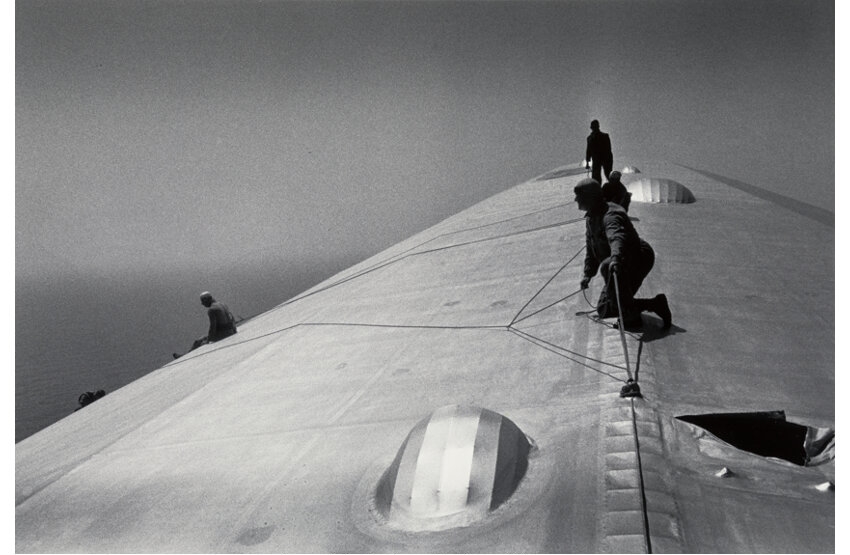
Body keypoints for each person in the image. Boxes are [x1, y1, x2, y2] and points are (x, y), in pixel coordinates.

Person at [575, 178, 671, 330]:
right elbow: (591, 248)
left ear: (590, 198)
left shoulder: (610, 215)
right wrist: (588, 273)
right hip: (621, 261)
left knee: (608, 270)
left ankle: (632, 320)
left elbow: (617, 237)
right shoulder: (592, 218)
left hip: (637, 258)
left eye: (579, 197)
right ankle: (654, 304)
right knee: (604, 309)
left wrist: (615, 258)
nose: (576, 200)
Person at [173, 291, 238, 359]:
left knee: (198, 342)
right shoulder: (223, 304)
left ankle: (184, 356)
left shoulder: (211, 309)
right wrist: (234, 330)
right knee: (202, 338)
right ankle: (185, 354)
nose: (202, 304)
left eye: (203, 302)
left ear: (207, 299)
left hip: (224, 334)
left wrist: (209, 340)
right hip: (231, 331)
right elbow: (232, 318)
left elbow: (213, 327)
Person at [585, 119, 613, 184]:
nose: (594, 128)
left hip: (605, 158)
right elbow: (588, 150)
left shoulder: (605, 136)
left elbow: (608, 149)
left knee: (608, 175)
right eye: (593, 127)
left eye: (595, 126)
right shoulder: (589, 138)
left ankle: (615, 189)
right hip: (597, 159)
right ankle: (597, 191)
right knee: (596, 177)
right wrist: (587, 161)